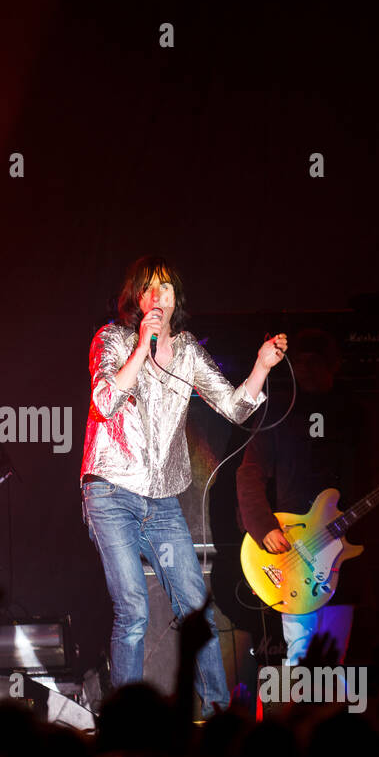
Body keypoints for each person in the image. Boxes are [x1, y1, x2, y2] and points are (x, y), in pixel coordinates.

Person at [80, 255, 287, 719]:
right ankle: (127, 722)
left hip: (161, 500)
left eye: (167, 289)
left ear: (177, 299)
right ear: (136, 297)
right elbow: (105, 401)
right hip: (110, 491)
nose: (159, 297)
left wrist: (261, 365)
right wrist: (141, 346)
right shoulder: (111, 339)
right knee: (133, 609)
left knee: (197, 609)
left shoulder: (189, 351)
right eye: (150, 289)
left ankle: (217, 716)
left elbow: (234, 408)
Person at [235, 327, 379, 665]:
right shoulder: (278, 411)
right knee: (299, 656)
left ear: (333, 364)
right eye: (301, 361)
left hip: (341, 555)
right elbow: (249, 474)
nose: (306, 368)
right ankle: (297, 715)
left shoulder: (355, 414)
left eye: (315, 361)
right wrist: (263, 527)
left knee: (334, 661)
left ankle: (323, 715)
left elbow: (367, 478)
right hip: (293, 549)